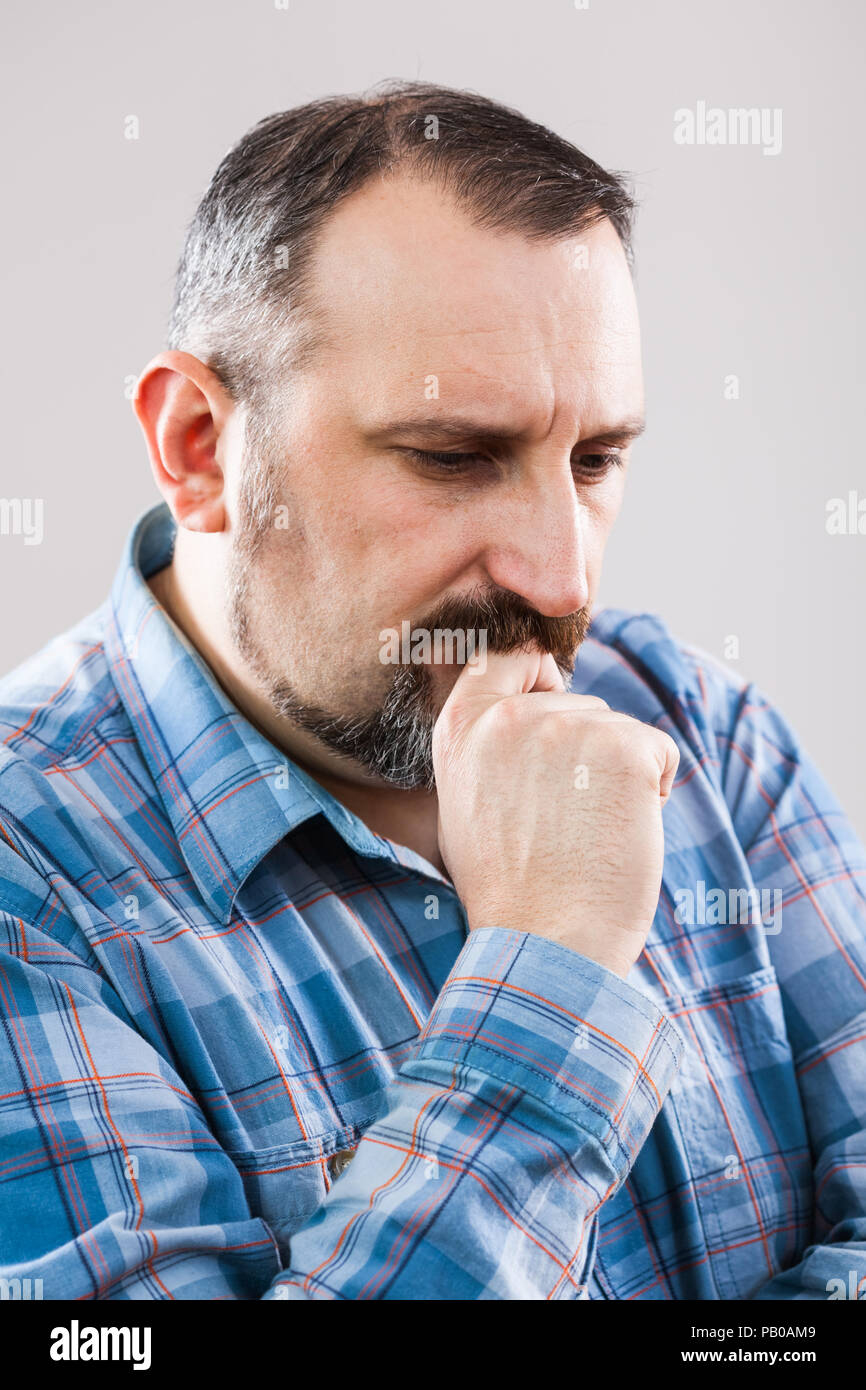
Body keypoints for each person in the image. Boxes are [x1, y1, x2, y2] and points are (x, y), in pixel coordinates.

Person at [0, 80, 863, 1302]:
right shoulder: (26, 895)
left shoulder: (695, 723)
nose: (560, 574)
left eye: (596, 458)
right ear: (200, 445)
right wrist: (547, 960)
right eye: (453, 458)